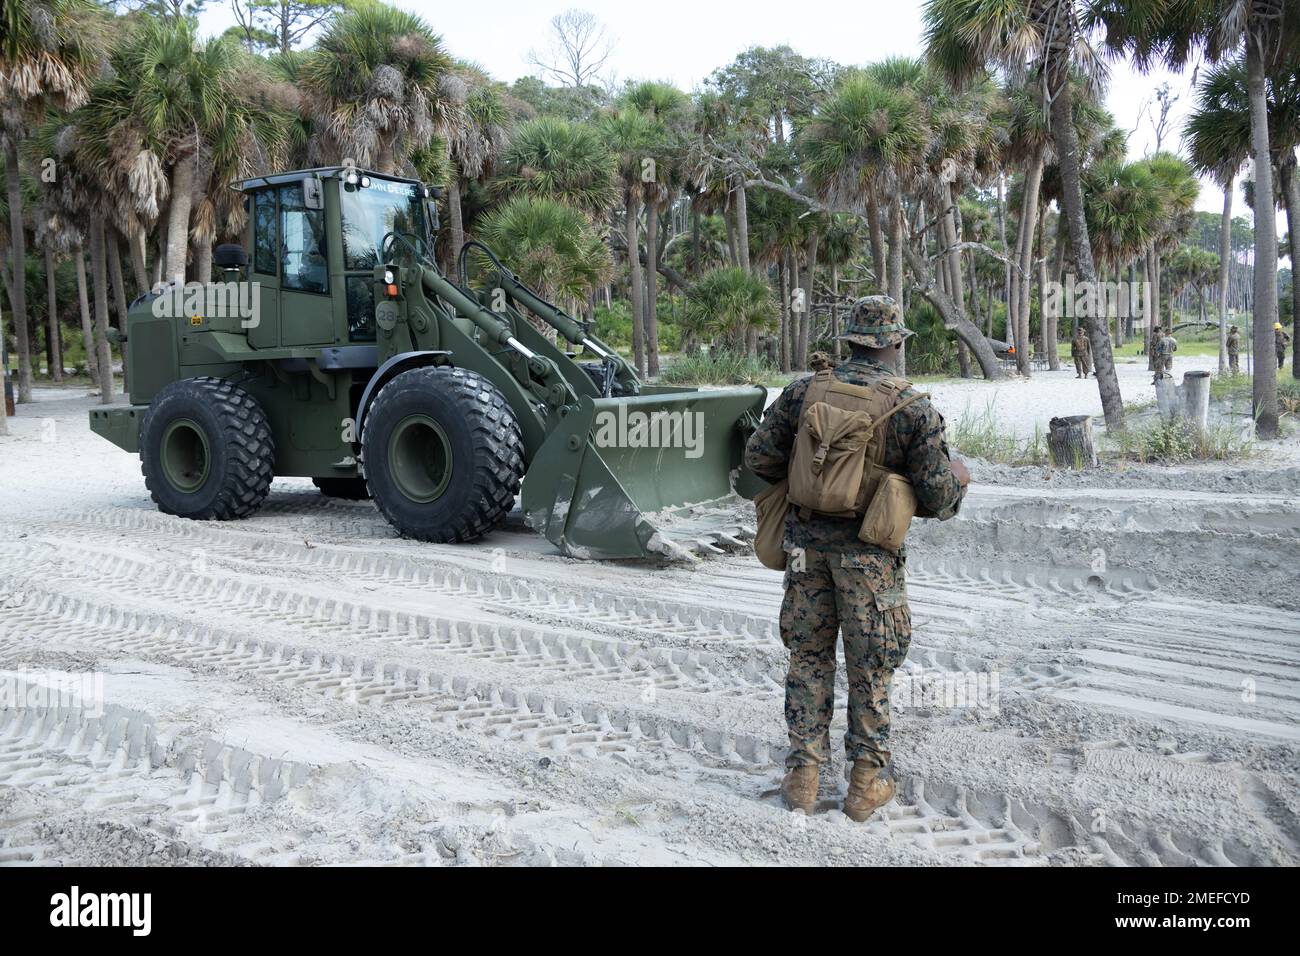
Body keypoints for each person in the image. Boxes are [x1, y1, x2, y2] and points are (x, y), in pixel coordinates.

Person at [744, 295, 969, 823]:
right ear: (896, 343)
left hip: (805, 552)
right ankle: (866, 783)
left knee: (808, 658)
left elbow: (758, 457)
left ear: (850, 340)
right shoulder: (912, 406)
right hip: (871, 561)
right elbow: (938, 499)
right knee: (871, 667)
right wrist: (958, 479)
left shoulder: (803, 391)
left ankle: (803, 777)